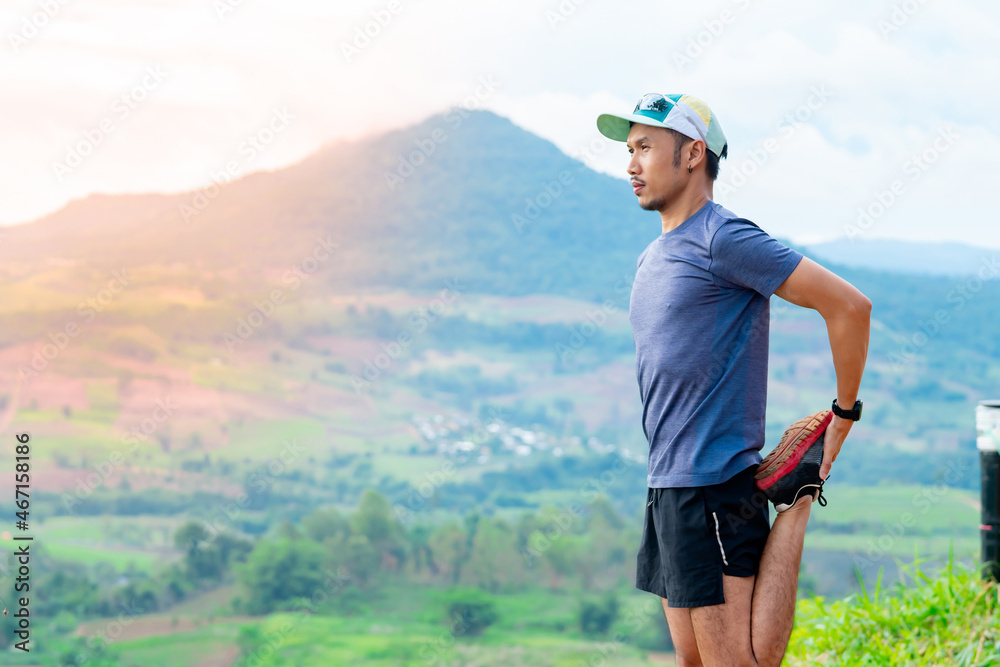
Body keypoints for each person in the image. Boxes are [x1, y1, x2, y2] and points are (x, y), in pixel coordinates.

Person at [595, 93, 871, 667]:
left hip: (712, 484)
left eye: (645, 148)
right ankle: (796, 487)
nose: (631, 165)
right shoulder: (656, 254)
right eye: (629, 150)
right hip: (668, 483)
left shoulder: (724, 239)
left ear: (693, 153)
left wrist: (844, 414)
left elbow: (849, 306)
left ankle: (797, 494)